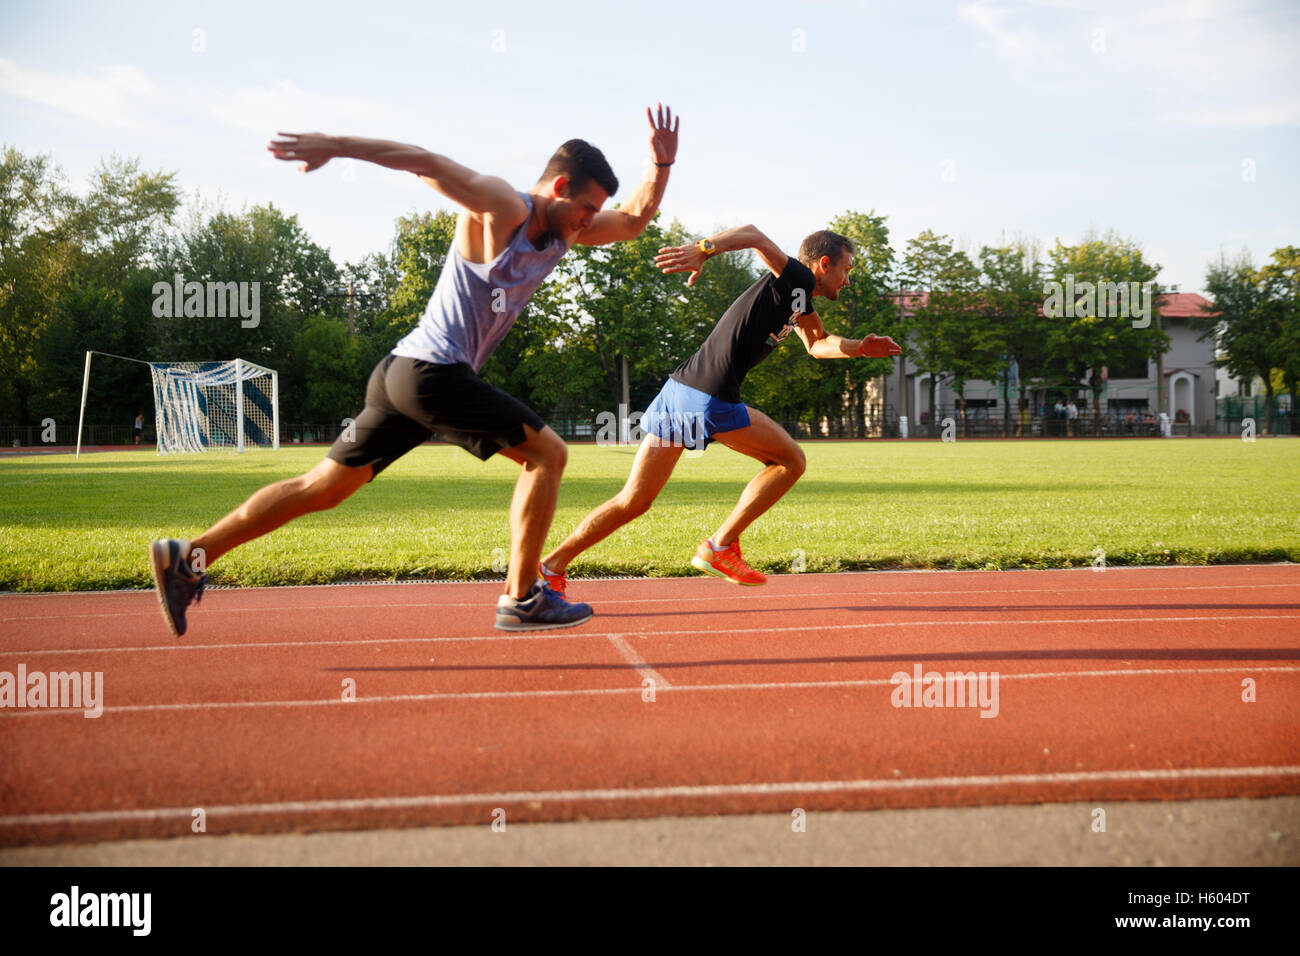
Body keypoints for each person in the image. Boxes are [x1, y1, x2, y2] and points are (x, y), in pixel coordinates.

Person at [150, 105, 681, 636]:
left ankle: (189, 556)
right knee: (548, 455)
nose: (590, 221)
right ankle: (522, 597)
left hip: (403, 375)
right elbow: (425, 162)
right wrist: (335, 144)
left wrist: (659, 168)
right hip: (433, 372)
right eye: (586, 208)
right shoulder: (503, 207)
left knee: (324, 487)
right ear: (560, 186)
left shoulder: (563, 234)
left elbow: (633, 222)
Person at [538, 226, 900, 593]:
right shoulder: (796, 276)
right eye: (847, 269)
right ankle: (720, 546)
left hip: (678, 391)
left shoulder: (799, 299)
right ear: (824, 263)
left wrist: (859, 348)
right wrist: (703, 249)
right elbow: (754, 234)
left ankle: (551, 567)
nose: (848, 280)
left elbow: (817, 344)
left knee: (634, 500)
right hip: (710, 397)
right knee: (790, 462)